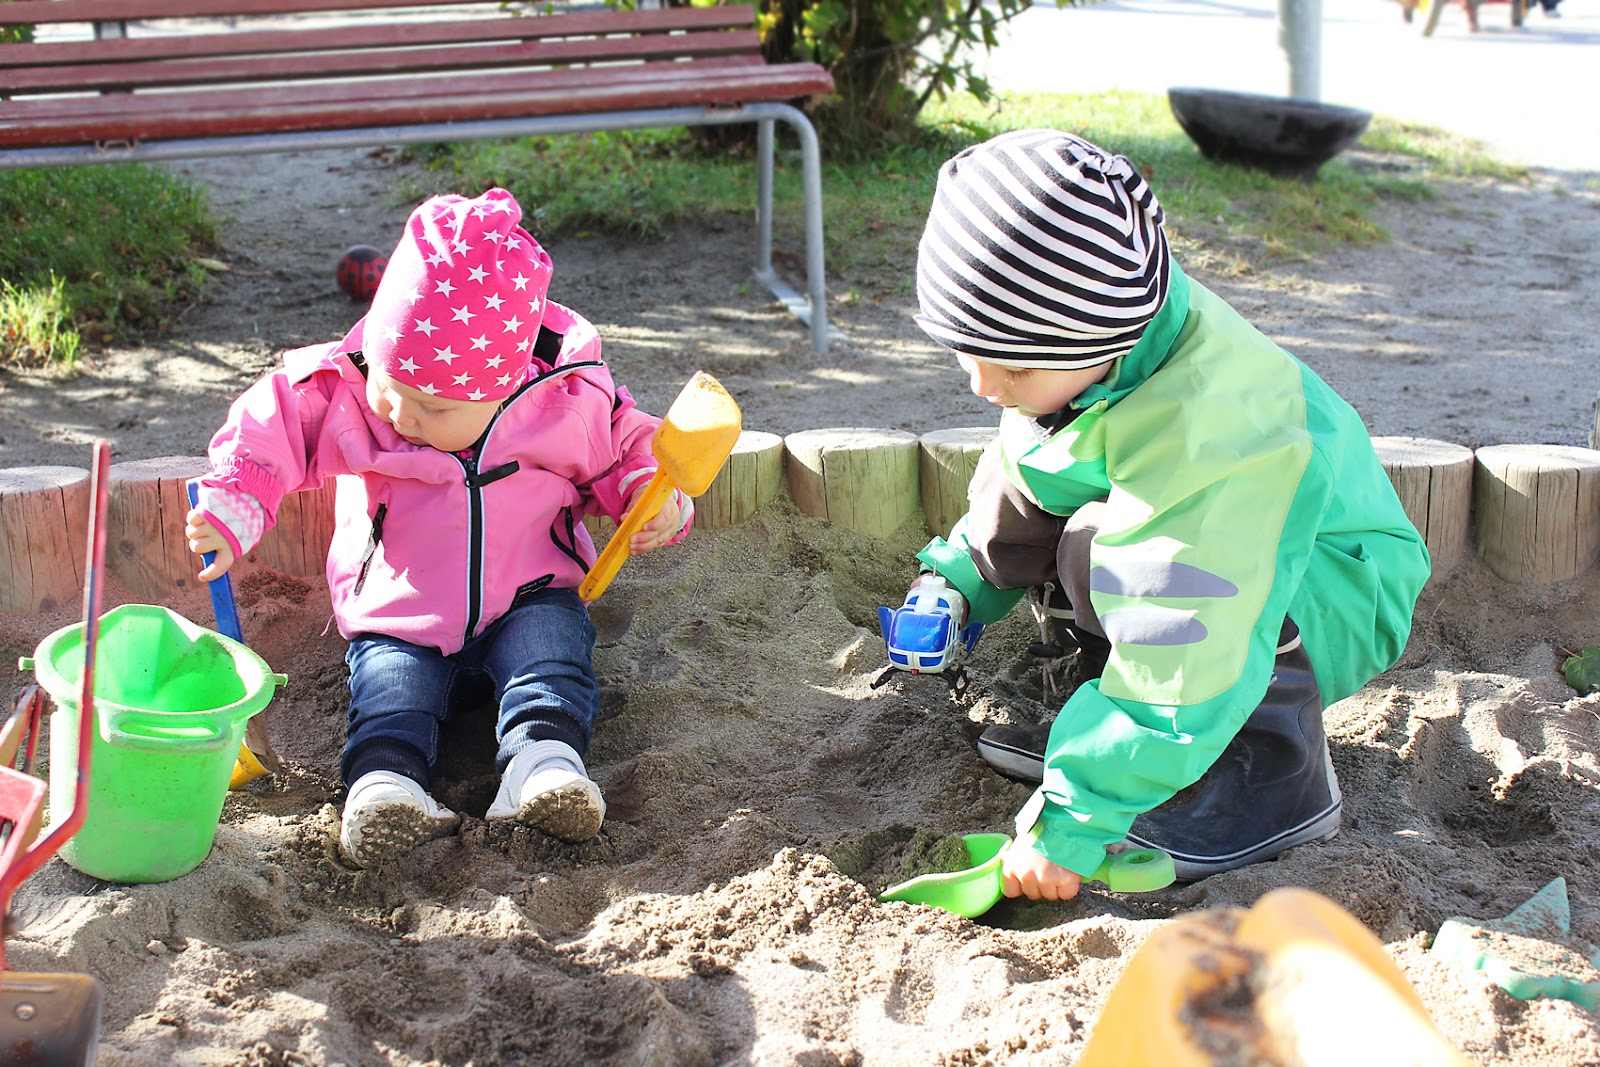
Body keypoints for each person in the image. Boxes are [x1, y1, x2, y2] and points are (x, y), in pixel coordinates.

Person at [895, 129, 1429, 901]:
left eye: (1012, 363)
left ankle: (1273, 780)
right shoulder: (1097, 359)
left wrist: (1075, 819)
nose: (981, 383)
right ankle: (1111, 731)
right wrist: (958, 581)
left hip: (1331, 583)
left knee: (1127, 563)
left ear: (1096, 339)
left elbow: (1185, 630)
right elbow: (1032, 479)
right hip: (1220, 566)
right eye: (965, 350)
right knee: (1082, 535)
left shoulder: (1210, 429)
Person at [185, 188, 689, 869]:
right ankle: (384, 786)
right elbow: (273, 424)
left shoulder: (565, 401)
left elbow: (633, 449)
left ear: (502, 389)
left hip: (528, 595)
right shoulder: (354, 396)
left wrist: (652, 498)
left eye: (431, 406)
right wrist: (235, 501)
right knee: (390, 692)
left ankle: (541, 765)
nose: (399, 412)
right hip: (401, 611)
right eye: (389, 383)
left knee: (552, 658)